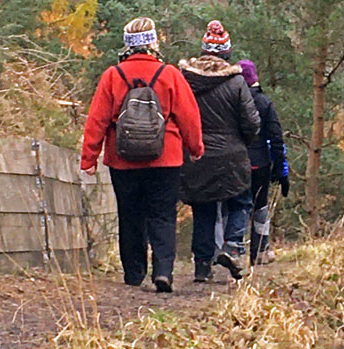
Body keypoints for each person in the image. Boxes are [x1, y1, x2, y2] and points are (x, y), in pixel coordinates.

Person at [80, 17, 204, 293]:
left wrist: (89, 158)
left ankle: (134, 273)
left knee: (130, 214)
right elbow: (189, 116)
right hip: (166, 157)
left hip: (122, 159)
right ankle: (163, 272)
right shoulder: (170, 74)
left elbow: (97, 120)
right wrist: (195, 148)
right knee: (162, 214)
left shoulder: (112, 75)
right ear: (153, 42)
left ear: (127, 44)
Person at [180, 20, 260, 281]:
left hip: (196, 154)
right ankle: (233, 247)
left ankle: (202, 264)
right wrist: (242, 142)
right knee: (240, 200)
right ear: (226, 53)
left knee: (203, 208)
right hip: (231, 154)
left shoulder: (186, 80)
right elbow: (252, 122)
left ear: (203, 51)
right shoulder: (236, 83)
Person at [237, 59, 289, 265]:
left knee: (235, 207)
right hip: (260, 163)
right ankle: (260, 250)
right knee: (260, 206)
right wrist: (281, 168)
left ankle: (234, 250)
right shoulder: (265, 103)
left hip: (236, 162)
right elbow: (276, 137)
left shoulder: (232, 101)